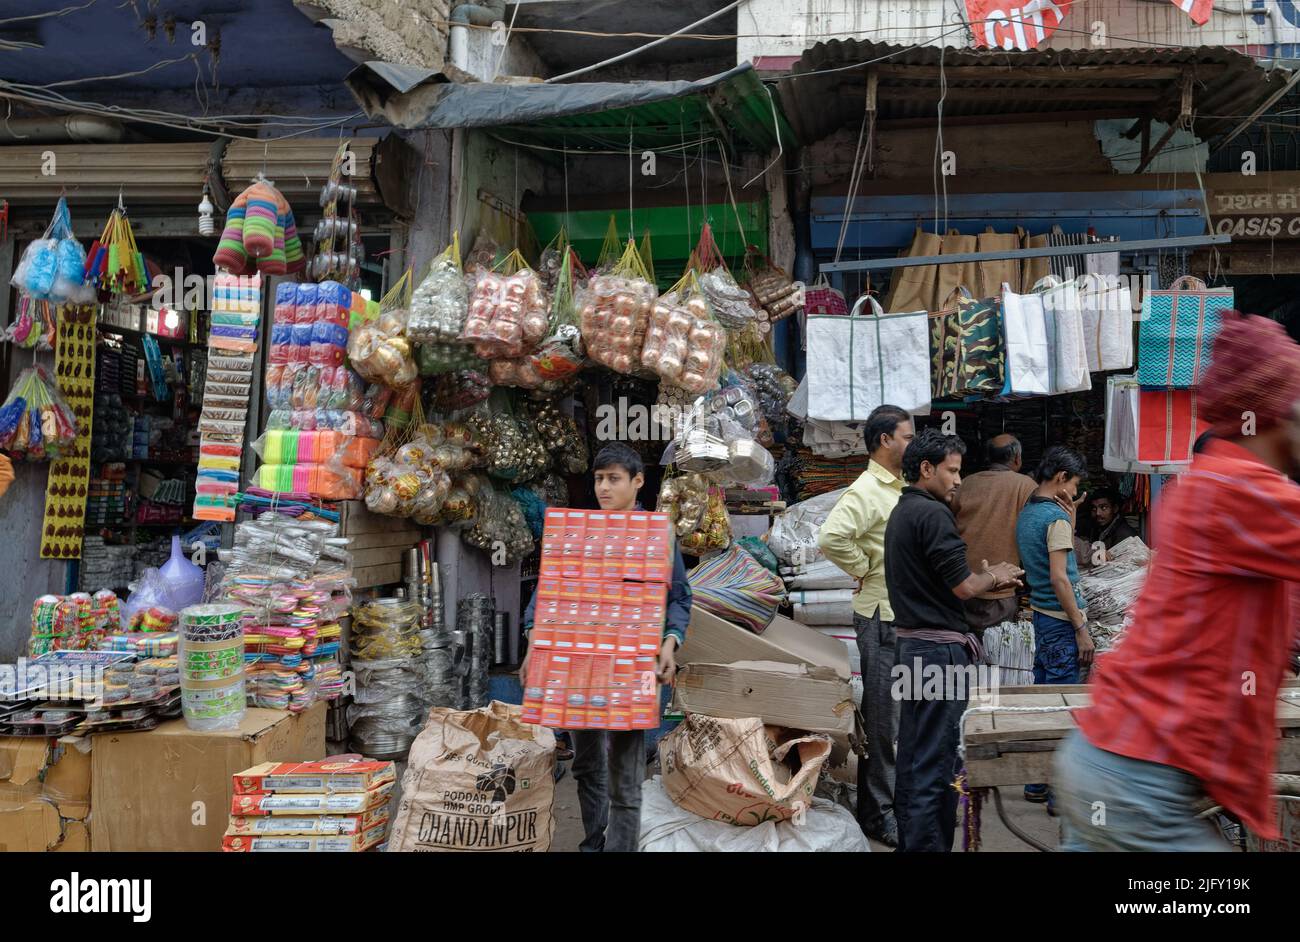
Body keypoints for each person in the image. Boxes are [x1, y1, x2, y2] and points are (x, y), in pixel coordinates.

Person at [1055, 312, 1300, 851]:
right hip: (1136, 786)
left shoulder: (1218, 485)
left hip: (1109, 765)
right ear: (1281, 412)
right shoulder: (1243, 492)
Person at [518, 442, 692, 852]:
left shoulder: (657, 535)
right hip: (575, 665)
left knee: (626, 777)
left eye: (614, 479)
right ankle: (593, 844)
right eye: (599, 479)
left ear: (638, 482)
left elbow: (680, 596)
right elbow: (546, 595)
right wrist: (532, 646)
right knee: (586, 765)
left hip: (632, 669)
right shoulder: (575, 533)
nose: (603, 487)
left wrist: (670, 642)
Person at [885, 429, 1024, 852]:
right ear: (926, 469)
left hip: (914, 651)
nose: (958, 480)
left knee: (914, 756)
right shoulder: (932, 514)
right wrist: (996, 574)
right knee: (937, 761)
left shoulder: (904, 511)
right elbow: (963, 587)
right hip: (939, 655)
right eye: (952, 471)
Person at [817, 404, 914, 847]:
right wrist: (868, 568)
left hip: (901, 617)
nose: (911, 444)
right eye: (907, 437)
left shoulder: (901, 486)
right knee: (883, 722)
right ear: (884, 441)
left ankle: (893, 804)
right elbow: (831, 537)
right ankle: (877, 814)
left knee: (901, 718)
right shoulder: (865, 491)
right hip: (880, 617)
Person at [1015, 446, 1092, 806]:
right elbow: (1061, 578)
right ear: (1061, 478)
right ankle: (1059, 797)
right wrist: (1080, 626)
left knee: (1044, 703)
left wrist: (1071, 518)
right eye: (1074, 485)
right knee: (1064, 710)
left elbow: (1048, 565)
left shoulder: (1029, 513)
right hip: (1062, 622)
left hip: (1043, 618)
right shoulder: (1054, 520)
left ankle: (1036, 784)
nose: (1075, 493)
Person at [954, 434, 1036, 630]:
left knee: (964, 651)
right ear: (1017, 458)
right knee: (997, 654)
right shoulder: (1025, 486)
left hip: (963, 585)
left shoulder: (965, 483)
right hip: (1000, 591)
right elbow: (1041, 531)